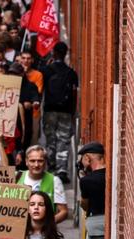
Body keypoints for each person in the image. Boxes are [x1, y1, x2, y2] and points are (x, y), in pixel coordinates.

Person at [39, 42, 79, 173]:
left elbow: (41, 90)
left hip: (49, 109)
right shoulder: (71, 73)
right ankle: (62, 168)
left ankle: (51, 164)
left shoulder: (46, 71)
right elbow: (74, 94)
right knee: (63, 139)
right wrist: (73, 112)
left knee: (50, 138)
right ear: (65, 54)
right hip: (66, 111)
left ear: (54, 53)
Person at [18, 146, 69, 224]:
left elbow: (64, 212)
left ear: (45, 162)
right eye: (32, 161)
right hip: (19, 229)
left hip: (45, 231)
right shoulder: (17, 177)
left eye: (40, 161)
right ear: (26, 162)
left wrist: (46, 225)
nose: (36, 165)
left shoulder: (54, 181)